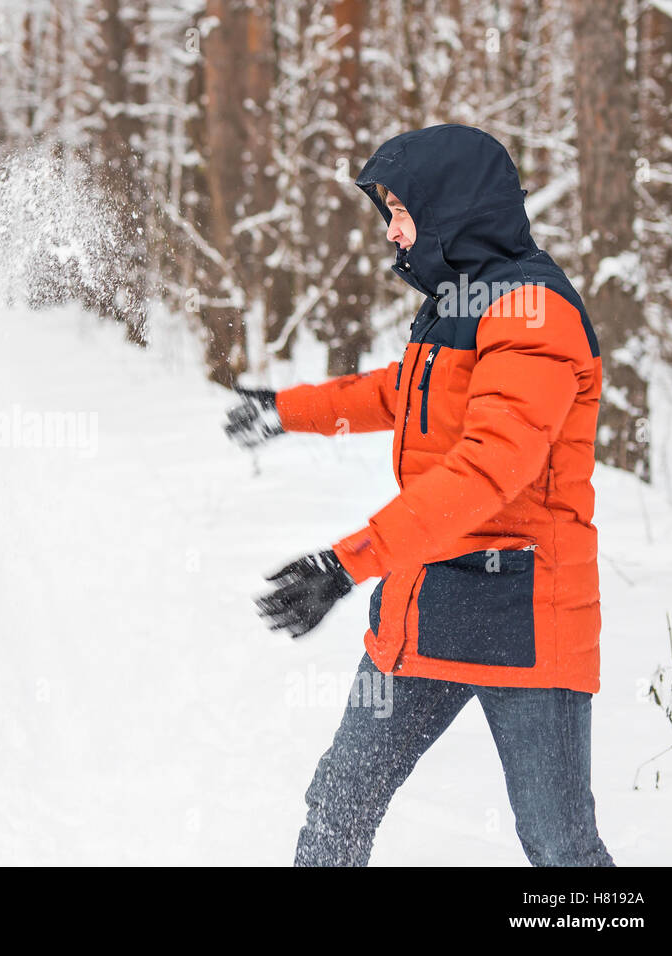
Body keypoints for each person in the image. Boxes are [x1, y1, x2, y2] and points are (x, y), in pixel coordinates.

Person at [225, 124, 613, 866]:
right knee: (340, 800)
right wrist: (287, 410)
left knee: (560, 845)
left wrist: (346, 563)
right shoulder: (459, 303)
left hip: (526, 619)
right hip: (428, 606)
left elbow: (487, 470)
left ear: (454, 207)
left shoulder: (537, 317)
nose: (393, 231)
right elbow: (401, 394)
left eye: (403, 210)